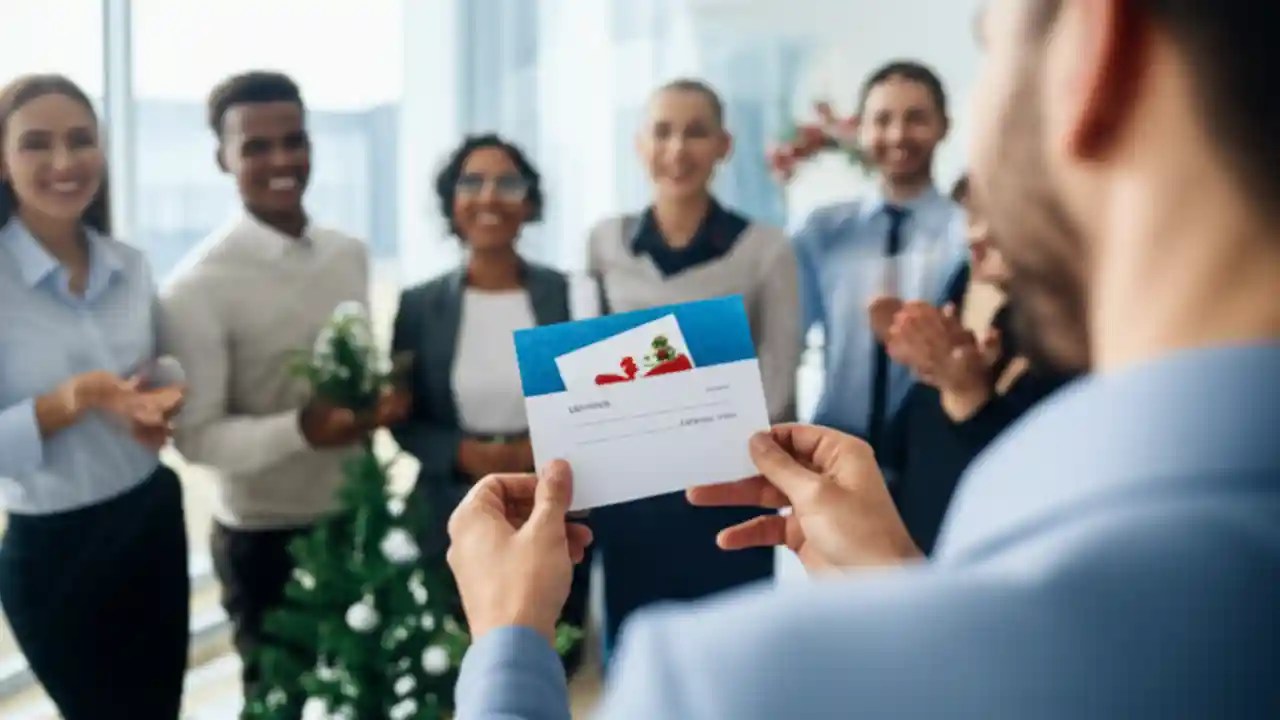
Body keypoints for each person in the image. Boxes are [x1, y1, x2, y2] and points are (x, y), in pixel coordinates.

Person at [445, 1, 1280, 716]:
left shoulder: (720, 685)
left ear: (1095, 51)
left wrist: (510, 642)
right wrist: (898, 584)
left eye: (990, 39)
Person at [159, 71, 406, 710]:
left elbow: (351, 378)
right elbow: (197, 438)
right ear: (223, 158)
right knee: (278, 703)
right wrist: (304, 428)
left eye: (293, 141)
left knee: (371, 692)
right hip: (265, 540)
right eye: (257, 147)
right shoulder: (196, 288)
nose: (281, 161)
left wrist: (376, 405)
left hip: (358, 519)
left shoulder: (348, 254)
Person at [584, 78, 802, 662]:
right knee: (636, 667)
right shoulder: (604, 243)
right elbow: (581, 376)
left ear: (724, 144)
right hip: (630, 499)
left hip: (728, 494)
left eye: (696, 132)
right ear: (639, 144)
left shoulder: (767, 249)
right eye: (663, 131)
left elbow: (778, 390)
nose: (678, 149)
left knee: (735, 665)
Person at [0, 74, 189, 719]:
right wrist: (75, 397)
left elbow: (155, 364)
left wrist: (162, 393)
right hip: (53, 550)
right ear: (3, 159)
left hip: (150, 518)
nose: (63, 162)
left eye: (81, 140)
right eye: (36, 144)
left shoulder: (130, 265)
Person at [390, 134, 588, 673]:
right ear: (451, 202)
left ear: (529, 201)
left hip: (547, 502)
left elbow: (595, 399)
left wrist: (539, 448)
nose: (489, 196)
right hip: (451, 510)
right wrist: (463, 454)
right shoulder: (419, 305)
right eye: (471, 182)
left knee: (547, 666)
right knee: (453, 667)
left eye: (508, 182)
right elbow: (404, 422)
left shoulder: (568, 294)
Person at [875, 176, 1076, 554]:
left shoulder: (1083, 342)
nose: (973, 236)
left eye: (992, 216)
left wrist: (966, 394)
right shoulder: (989, 303)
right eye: (970, 215)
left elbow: (1024, 481)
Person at [792, 60, 967, 452]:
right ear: (860, 129)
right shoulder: (821, 233)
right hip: (834, 447)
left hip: (937, 449)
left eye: (916, 118)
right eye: (882, 119)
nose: (898, 134)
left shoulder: (968, 234)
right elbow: (785, 340)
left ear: (944, 126)